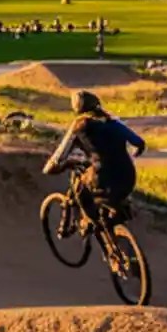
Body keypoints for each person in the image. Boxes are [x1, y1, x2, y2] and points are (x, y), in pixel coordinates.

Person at [43, 91, 146, 232]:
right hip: (128, 178)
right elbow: (139, 143)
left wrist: (51, 168)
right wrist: (127, 157)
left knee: (79, 187)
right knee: (107, 189)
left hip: (103, 180)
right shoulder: (113, 122)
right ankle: (116, 218)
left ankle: (91, 222)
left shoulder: (79, 126)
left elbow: (59, 157)